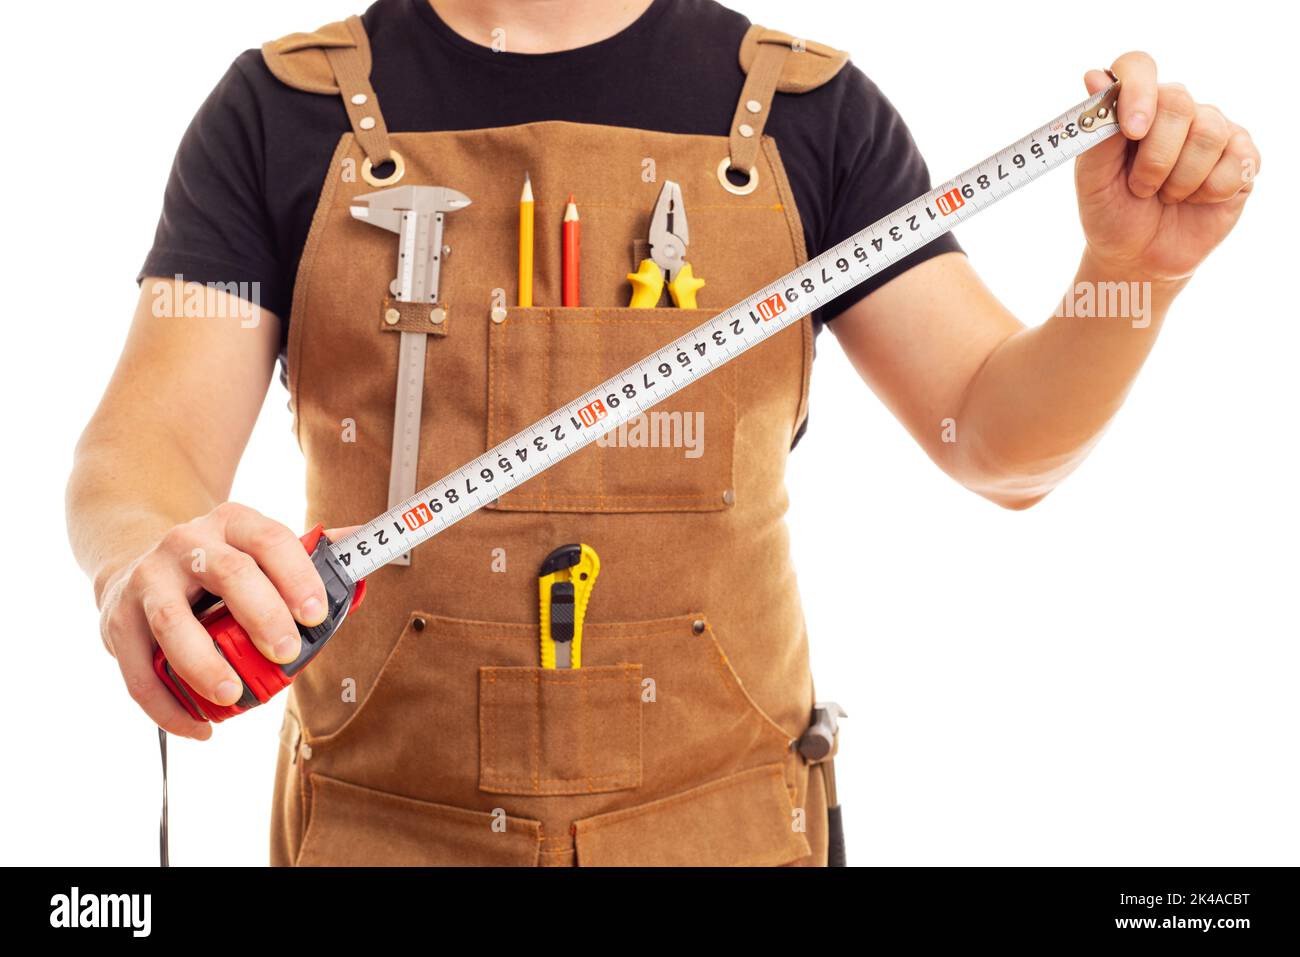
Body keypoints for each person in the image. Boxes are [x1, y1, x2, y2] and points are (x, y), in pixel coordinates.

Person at [66, 0, 1259, 866]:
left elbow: (998, 447)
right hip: (377, 837)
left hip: (735, 835)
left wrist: (1129, 279)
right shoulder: (280, 109)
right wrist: (143, 554)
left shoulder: (808, 113)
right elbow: (144, 451)